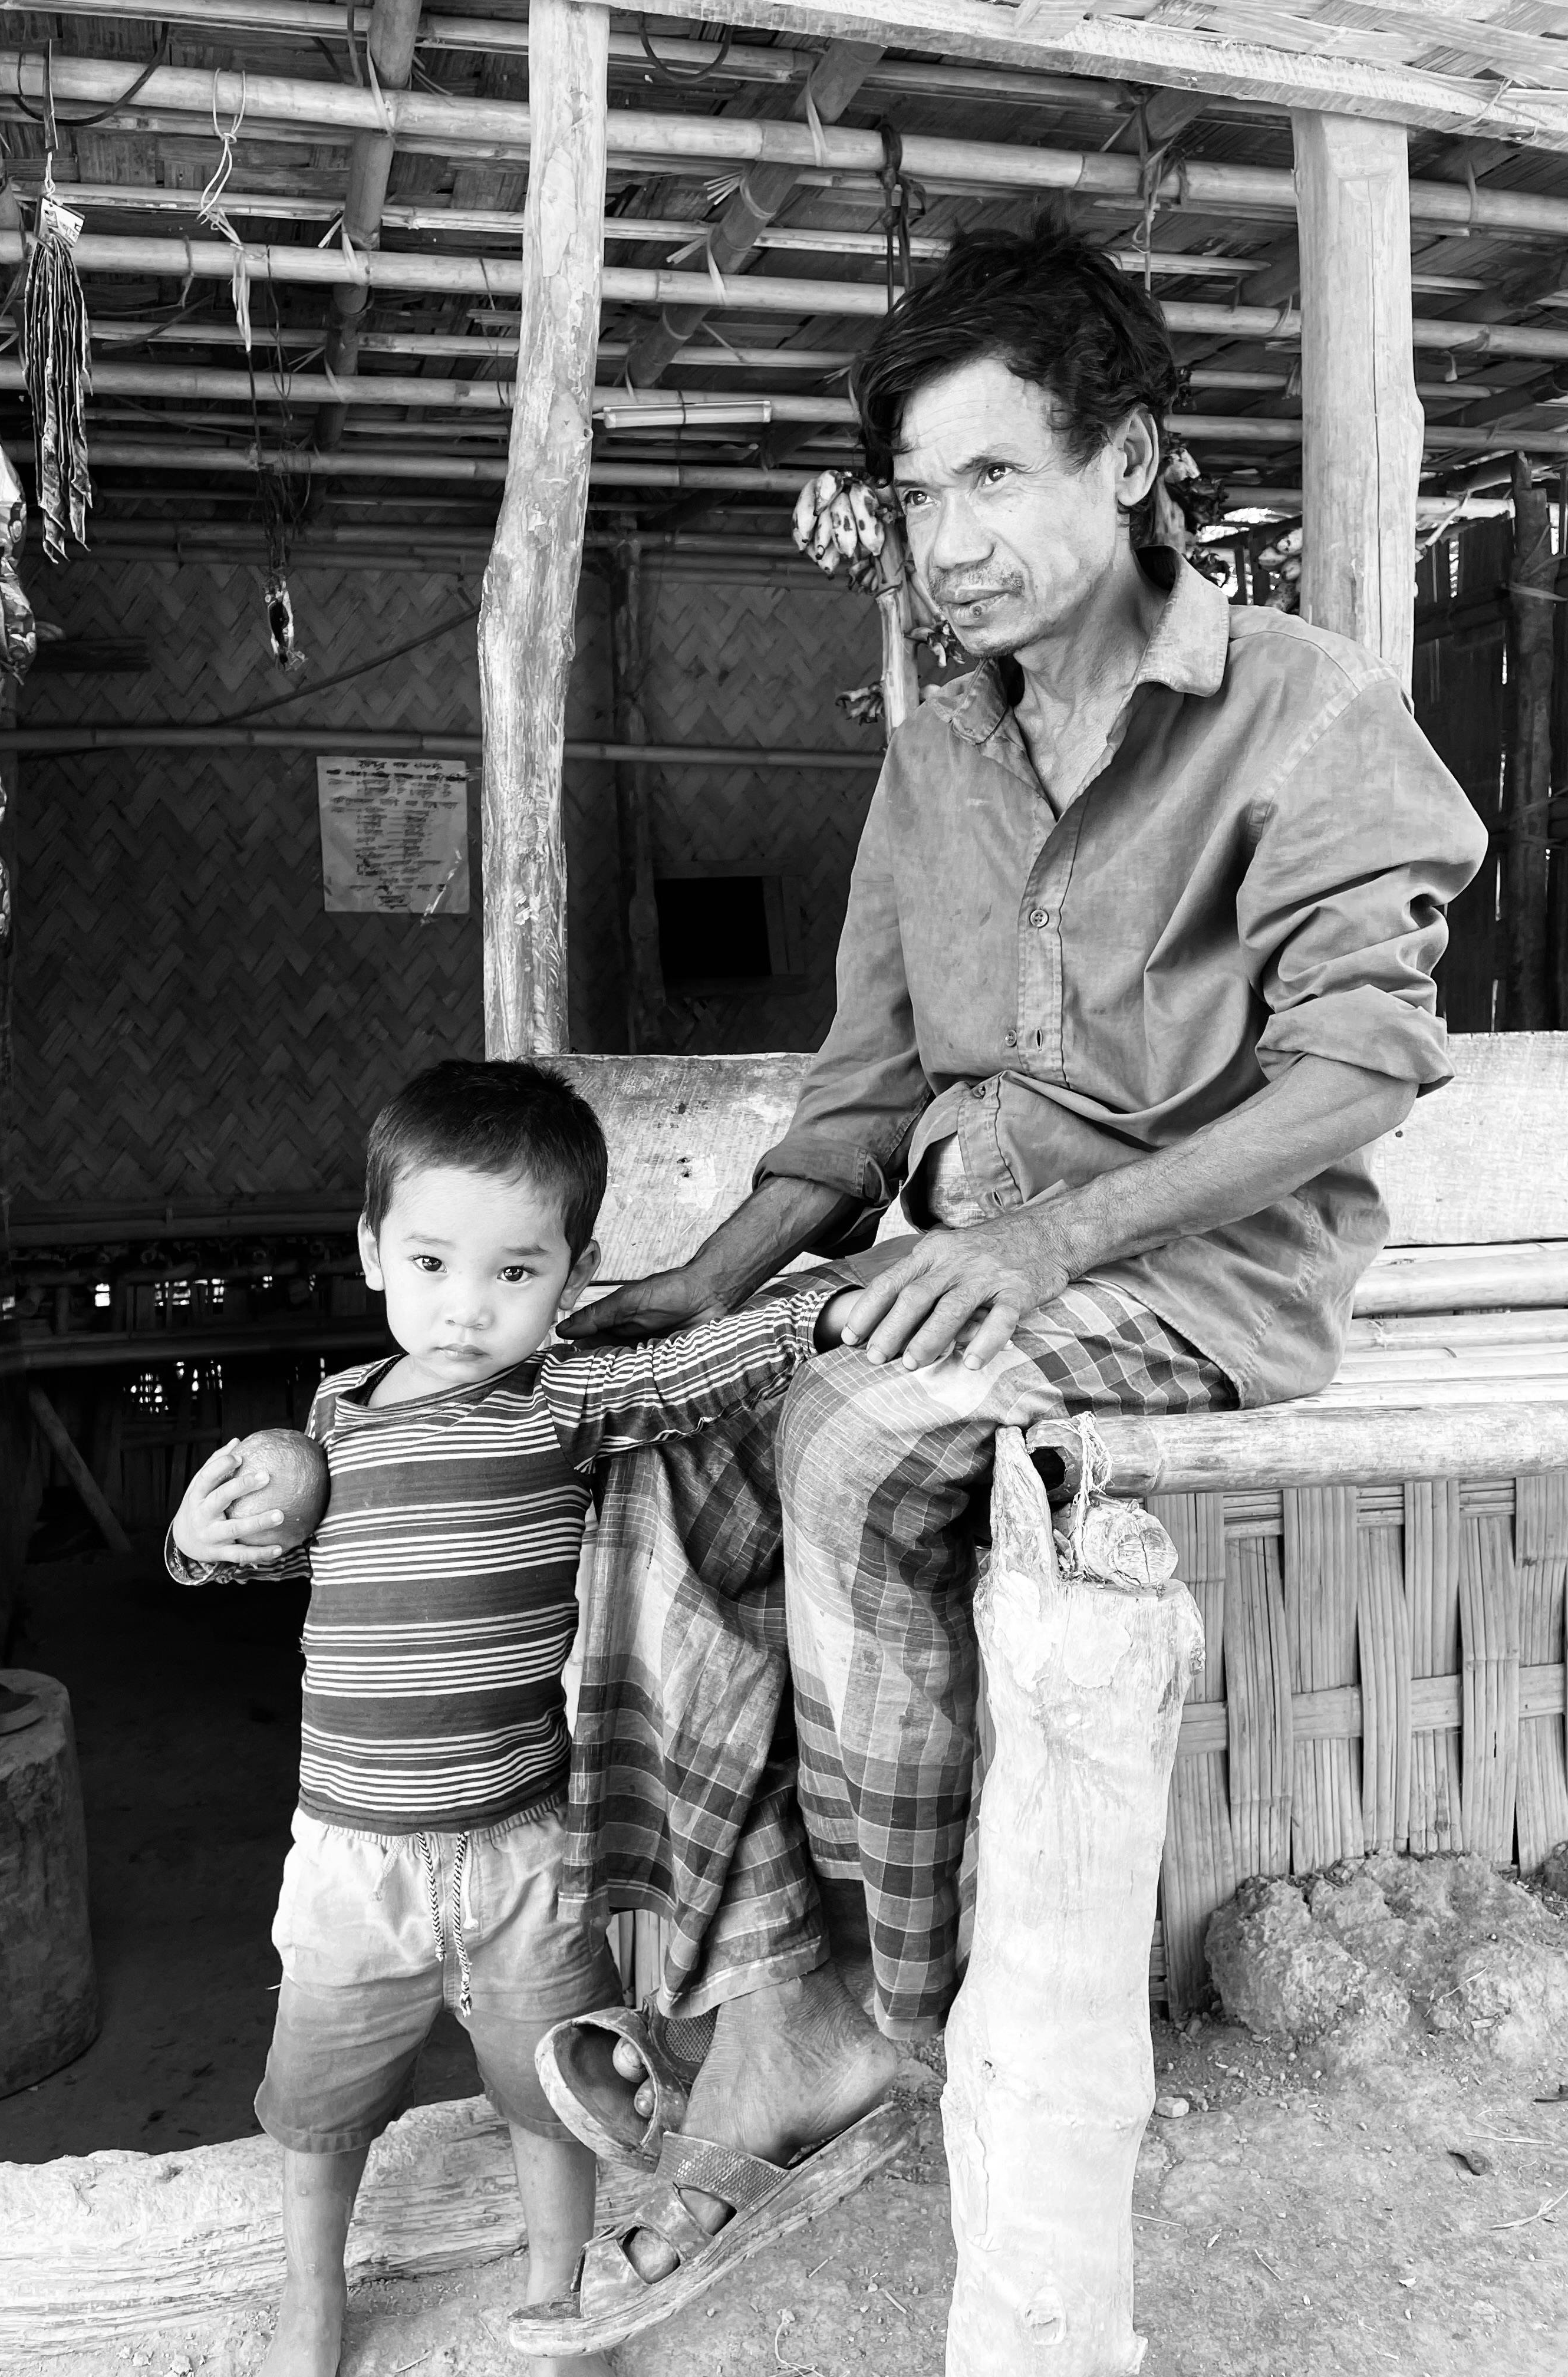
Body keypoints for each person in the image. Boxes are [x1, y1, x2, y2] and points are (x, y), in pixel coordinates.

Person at [527, 221, 1489, 2342]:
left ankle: (896, 1997)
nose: (941, 542)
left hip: (1204, 1278)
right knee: (654, 1441)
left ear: (1128, 458)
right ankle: (754, 1989)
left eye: (987, 478)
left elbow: (1362, 1062)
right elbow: (860, 1100)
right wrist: (693, 1283)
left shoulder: (1300, 712)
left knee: (855, 1433)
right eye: (911, 499)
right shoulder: (935, 757)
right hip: (976, 1267)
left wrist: (1033, 1240)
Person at [166, 1059, 862, 2377]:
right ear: (373, 1249)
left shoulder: (566, 1405)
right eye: (431, 1264)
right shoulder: (334, 1420)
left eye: (515, 1274)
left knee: (559, 2091)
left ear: (575, 1272)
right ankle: (311, 2299)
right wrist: (202, 1544)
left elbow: (706, 1365)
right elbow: (310, 1563)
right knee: (317, 2110)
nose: (467, 1309)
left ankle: (561, 2304)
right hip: (350, 1855)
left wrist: (825, 1307)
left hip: (523, 1847)